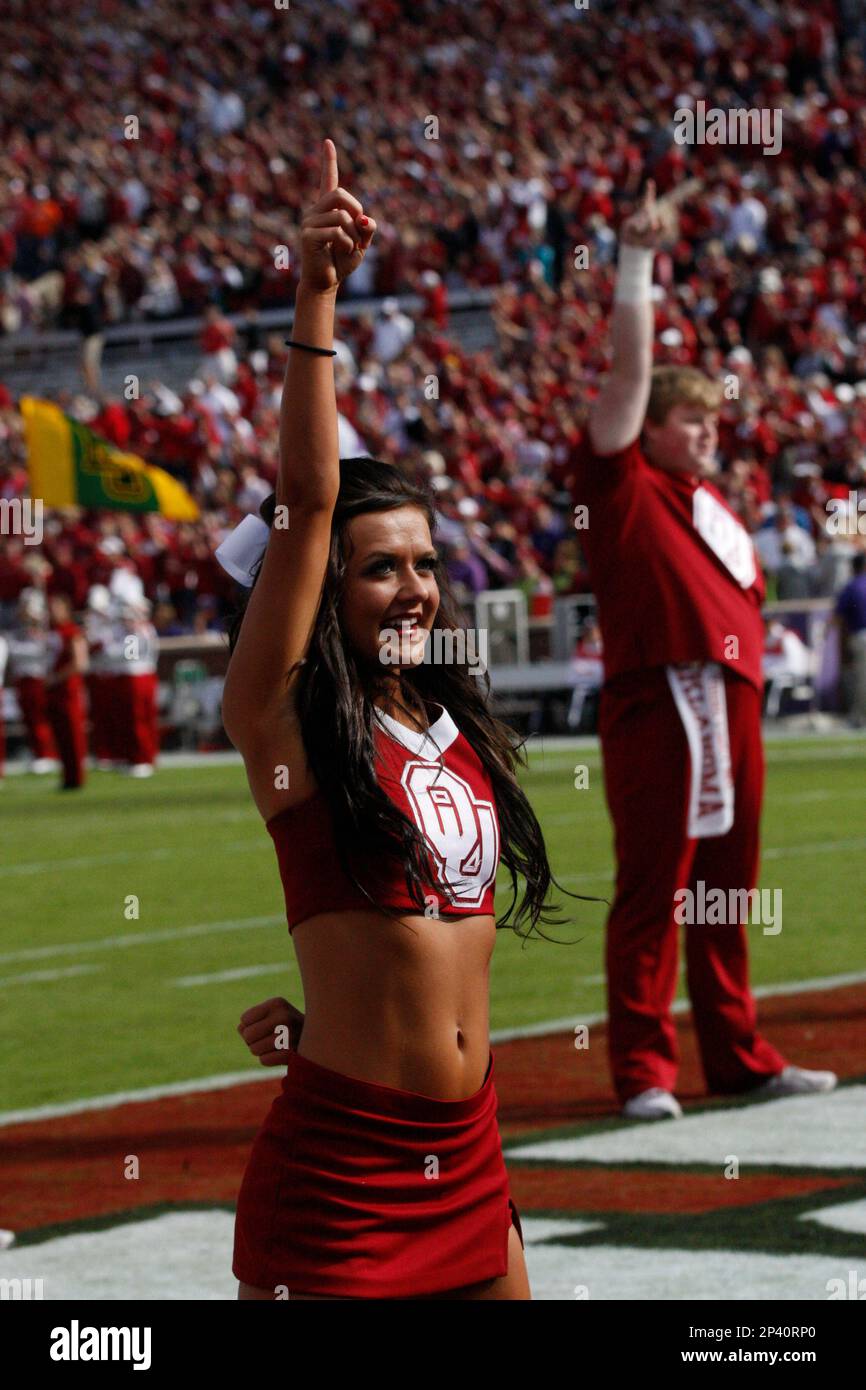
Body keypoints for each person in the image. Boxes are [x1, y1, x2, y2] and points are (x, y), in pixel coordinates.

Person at [219, 140, 583, 1302]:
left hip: (469, 1157)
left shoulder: (445, 725)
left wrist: (308, 1018)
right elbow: (310, 498)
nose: (416, 587)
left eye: (427, 564)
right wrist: (317, 294)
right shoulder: (279, 714)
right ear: (326, 587)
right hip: (343, 1177)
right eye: (381, 570)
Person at [572, 181, 837, 1121]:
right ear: (648, 429)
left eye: (713, 422)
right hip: (659, 700)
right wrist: (638, 263)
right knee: (656, 886)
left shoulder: (715, 509)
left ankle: (738, 1054)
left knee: (728, 890)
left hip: (730, 702)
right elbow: (626, 379)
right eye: (691, 420)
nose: (709, 431)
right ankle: (645, 1069)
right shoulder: (621, 484)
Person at [44, 594, 89, 790]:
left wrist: (56, 677)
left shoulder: (72, 631)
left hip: (67, 690)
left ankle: (76, 776)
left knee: (73, 733)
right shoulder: (52, 632)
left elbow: (80, 662)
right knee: (60, 735)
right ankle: (68, 776)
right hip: (54, 691)